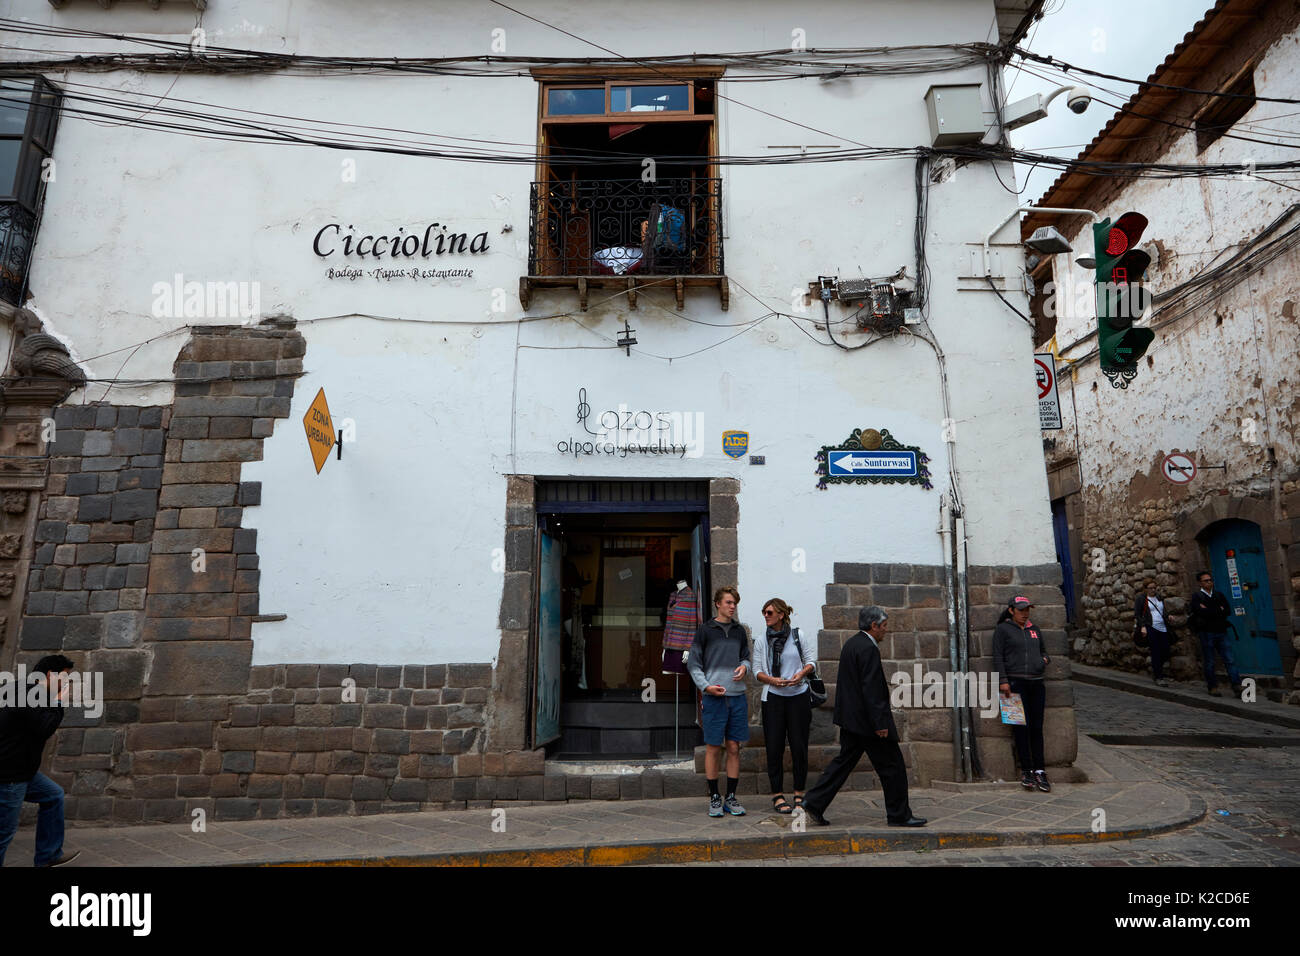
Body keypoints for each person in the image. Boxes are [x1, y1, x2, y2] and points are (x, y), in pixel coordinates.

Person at [802, 606, 925, 828]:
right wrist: (880, 724)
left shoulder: (852, 644)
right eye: (884, 626)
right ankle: (899, 815)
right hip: (868, 723)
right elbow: (871, 689)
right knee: (893, 766)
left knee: (843, 762)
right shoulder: (868, 648)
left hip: (852, 719)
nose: (886, 631)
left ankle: (813, 802)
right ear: (873, 626)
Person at [0, 654, 81, 867]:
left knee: (53, 796)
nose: (66, 684)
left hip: (21, 770)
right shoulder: (33, 696)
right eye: (64, 678)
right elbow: (45, 728)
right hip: (10, 775)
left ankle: (48, 856)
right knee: (4, 832)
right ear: (49, 675)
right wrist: (59, 702)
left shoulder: (20, 687)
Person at [686, 586, 751, 817]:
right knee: (713, 748)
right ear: (718, 604)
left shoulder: (739, 631)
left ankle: (730, 798)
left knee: (734, 747)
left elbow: (745, 657)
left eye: (735, 603)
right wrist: (706, 687)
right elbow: (693, 664)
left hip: (737, 697)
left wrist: (745, 667)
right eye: (728, 602)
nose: (732, 606)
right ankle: (714, 797)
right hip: (714, 698)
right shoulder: (705, 630)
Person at [753, 598, 815, 815]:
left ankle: (799, 792)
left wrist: (801, 674)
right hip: (773, 698)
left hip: (798, 696)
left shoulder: (798, 636)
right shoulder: (762, 640)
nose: (766, 616)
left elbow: (811, 661)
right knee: (774, 747)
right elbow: (757, 670)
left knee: (799, 747)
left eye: (769, 612)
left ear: (781, 614)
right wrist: (773, 680)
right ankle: (777, 794)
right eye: (764, 612)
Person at [993, 596, 1051, 792]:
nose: (1025, 613)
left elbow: (1044, 651)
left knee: (1036, 727)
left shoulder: (1035, 629)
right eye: (1021, 610)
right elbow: (998, 656)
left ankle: (1040, 770)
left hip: (1036, 684)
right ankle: (1026, 769)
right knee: (1019, 728)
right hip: (1014, 685)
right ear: (1011, 610)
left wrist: (1043, 661)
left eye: (1027, 610)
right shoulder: (1002, 630)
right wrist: (1003, 681)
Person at [1187, 570, 1243, 697]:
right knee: (1210, 661)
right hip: (1206, 633)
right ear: (1200, 583)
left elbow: (1227, 611)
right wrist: (1217, 610)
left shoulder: (1219, 595)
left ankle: (1236, 686)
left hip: (1221, 631)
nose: (1209, 582)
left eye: (1210, 580)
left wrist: (1210, 610)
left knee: (1229, 660)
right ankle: (1212, 686)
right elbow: (1199, 612)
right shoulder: (1197, 597)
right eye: (1206, 580)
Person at [1134, 579, 1173, 687]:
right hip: (1151, 627)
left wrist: (1168, 616)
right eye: (1150, 588)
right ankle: (1159, 677)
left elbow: (1162, 610)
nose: (1153, 590)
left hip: (1163, 628)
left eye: (1154, 587)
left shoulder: (1159, 597)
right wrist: (1142, 626)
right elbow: (1137, 614)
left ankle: (1156, 669)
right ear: (1145, 589)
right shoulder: (1141, 599)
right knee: (1155, 651)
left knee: (1165, 650)